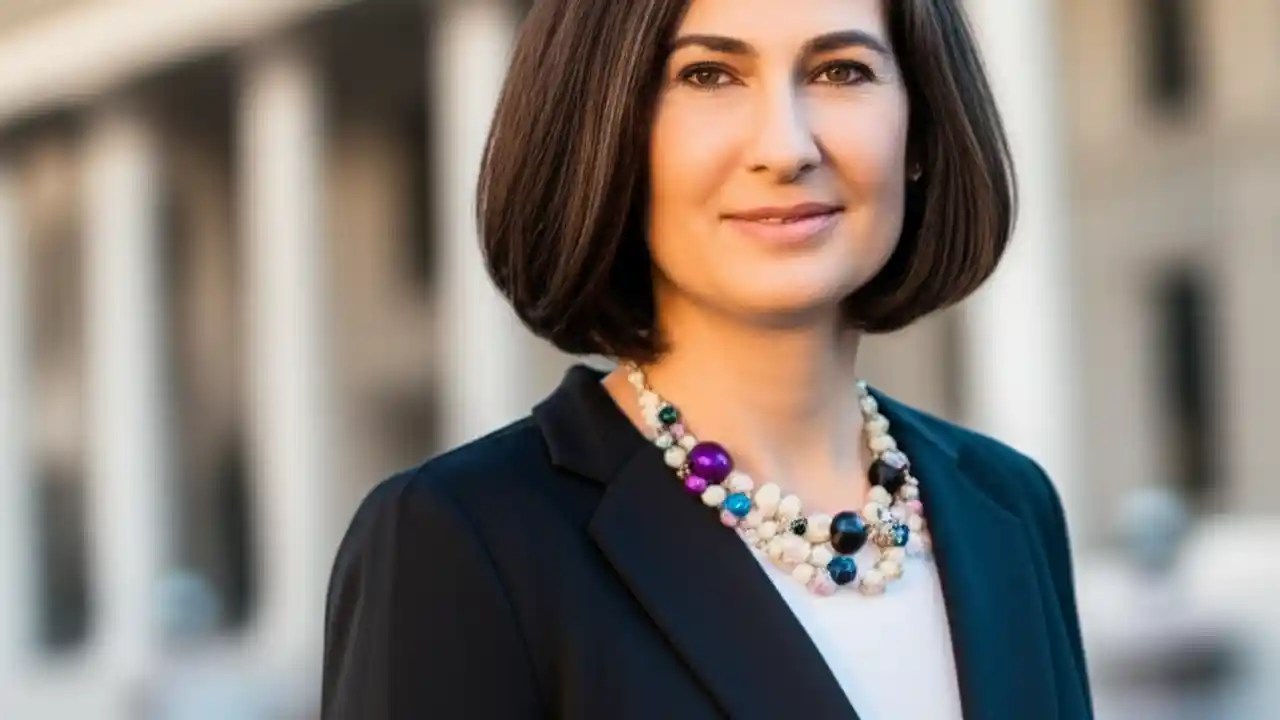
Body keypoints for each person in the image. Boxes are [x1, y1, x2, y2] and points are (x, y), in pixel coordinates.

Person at [322, 0, 1094, 717]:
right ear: (609, 128)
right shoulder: (461, 540)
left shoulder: (1008, 507)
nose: (786, 148)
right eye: (707, 74)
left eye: (840, 71)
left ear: (920, 132)